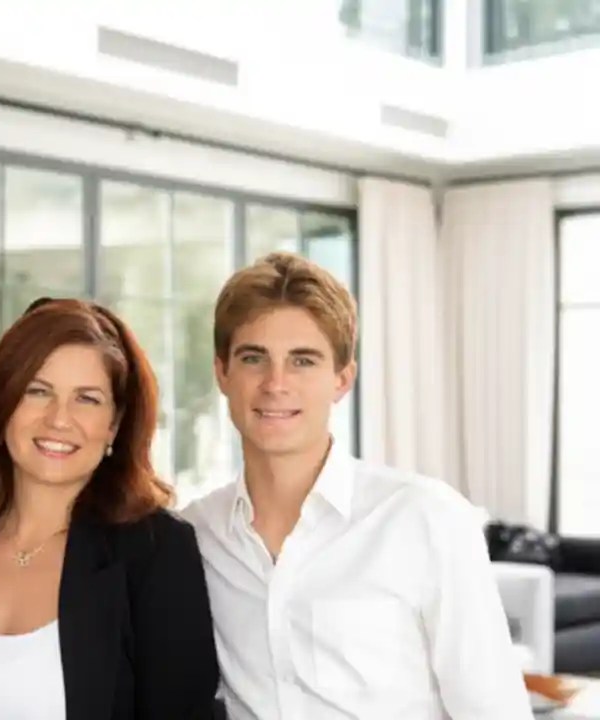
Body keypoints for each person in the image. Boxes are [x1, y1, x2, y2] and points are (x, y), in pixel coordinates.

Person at [182, 252, 535, 719]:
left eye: (303, 361)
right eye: (253, 358)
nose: (275, 383)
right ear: (222, 372)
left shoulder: (425, 519)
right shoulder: (193, 537)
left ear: (342, 379)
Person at [0, 297, 221, 720]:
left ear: (114, 423)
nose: (58, 419)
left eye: (87, 399)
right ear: (4, 403)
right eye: (38, 391)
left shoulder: (155, 550)